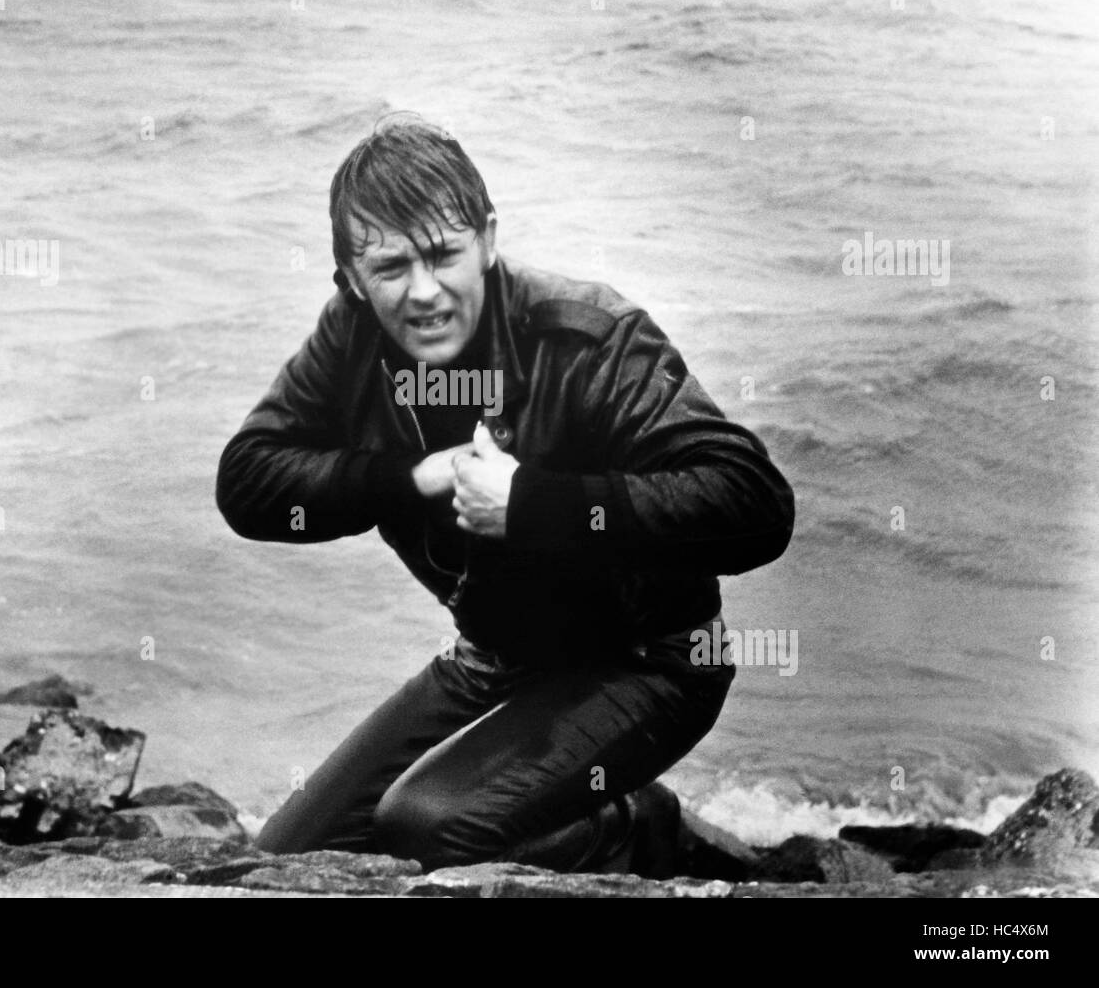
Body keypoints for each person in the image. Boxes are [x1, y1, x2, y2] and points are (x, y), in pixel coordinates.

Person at [216, 115, 795, 876]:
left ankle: (634, 826)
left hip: (651, 659)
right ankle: (568, 806)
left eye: (443, 255)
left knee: (424, 824)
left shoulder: (587, 336)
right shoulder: (350, 338)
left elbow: (754, 503)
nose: (424, 292)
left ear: (487, 240)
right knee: (286, 863)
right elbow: (248, 481)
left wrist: (530, 503)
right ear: (351, 280)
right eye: (391, 267)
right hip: (495, 656)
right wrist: (408, 478)